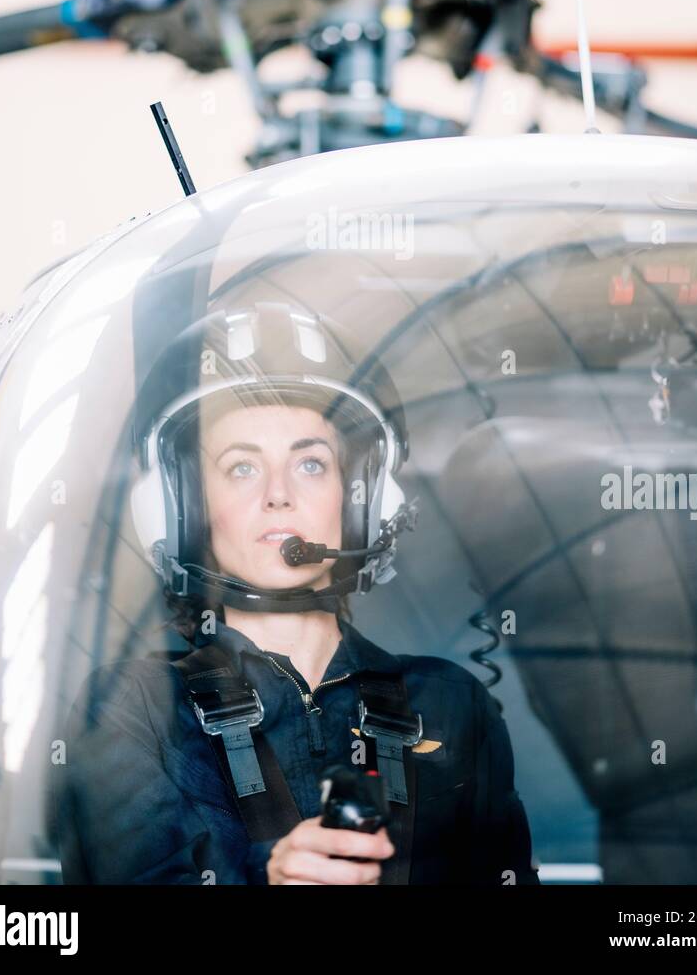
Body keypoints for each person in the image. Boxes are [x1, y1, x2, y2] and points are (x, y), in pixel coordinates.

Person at [54, 301, 541, 886]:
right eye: (241, 468)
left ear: (362, 496)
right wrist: (270, 879)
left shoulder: (451, 704)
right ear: (185, 507)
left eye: (311, 464)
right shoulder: (134, 708)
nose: (278, 495)